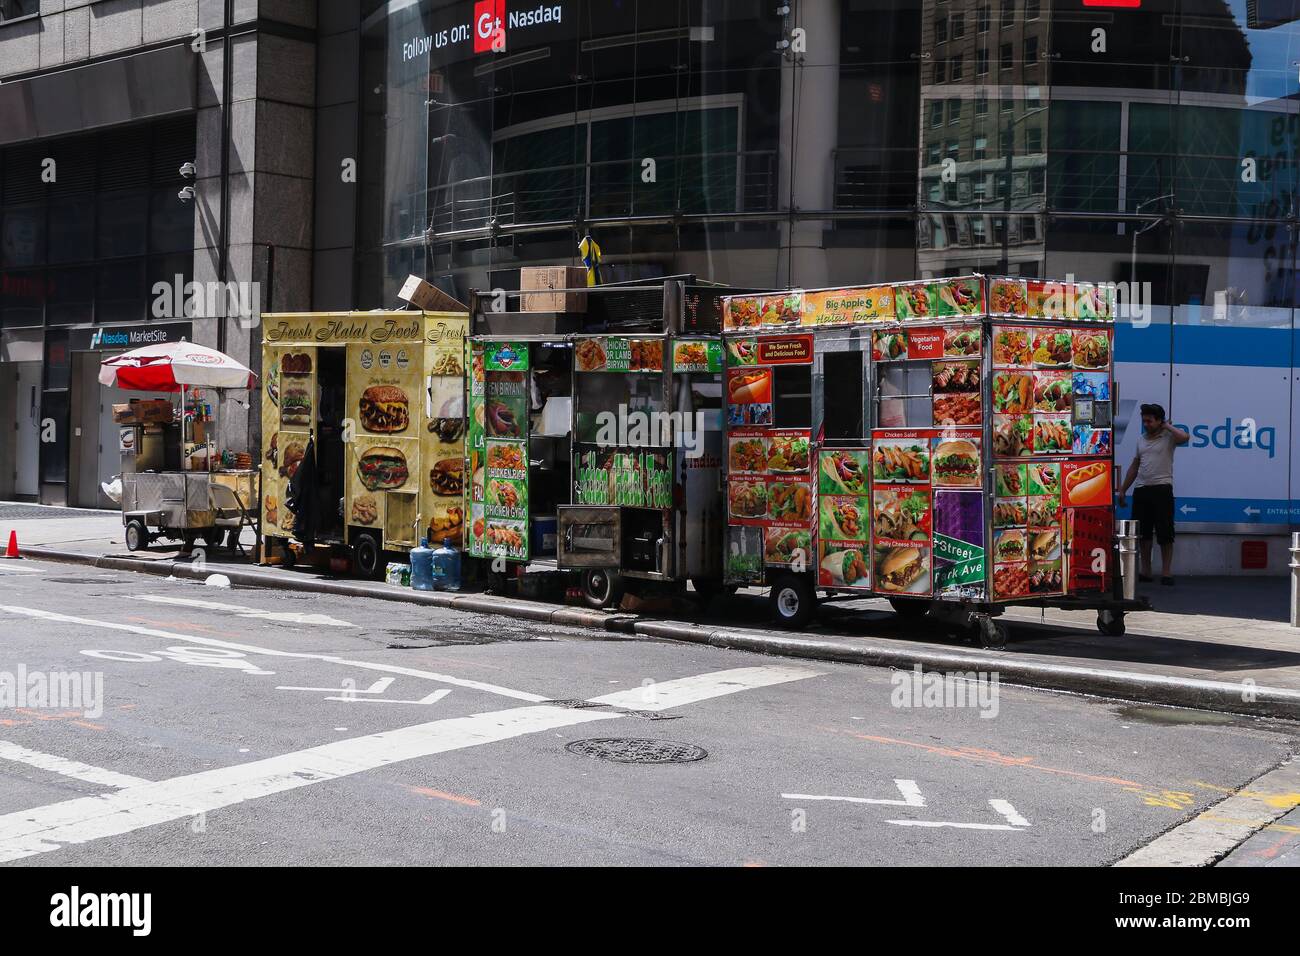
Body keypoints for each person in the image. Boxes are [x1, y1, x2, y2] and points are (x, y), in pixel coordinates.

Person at [1118, 403, 1189, 585]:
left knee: (1165, 533)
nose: (1146, 424)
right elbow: (1135, 466)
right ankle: (1146, 571)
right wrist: (1123, 489)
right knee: (1143, 533)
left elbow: (1185, 437)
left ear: (1159, 421)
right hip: (1142, 489)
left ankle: (1166, 572)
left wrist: (1166, 426)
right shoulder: (1141, 440)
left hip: (1162, 488)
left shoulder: (1168, 438)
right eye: (1144, 421)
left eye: (1150, 421)